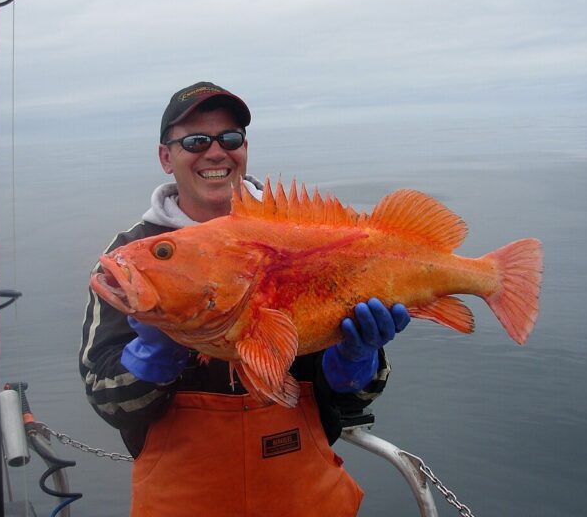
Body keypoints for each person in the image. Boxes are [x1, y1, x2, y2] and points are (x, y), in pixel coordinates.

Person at [79, 82, 410, 517]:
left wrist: (353, 364)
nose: (215, 152)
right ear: (166, 157)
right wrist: (149, 359)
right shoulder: (131, 259)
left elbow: (352, 404)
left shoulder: (302, 236)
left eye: (229, 139)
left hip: (305, 499)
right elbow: (108, 401)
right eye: (195, 141)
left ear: (244, 149)